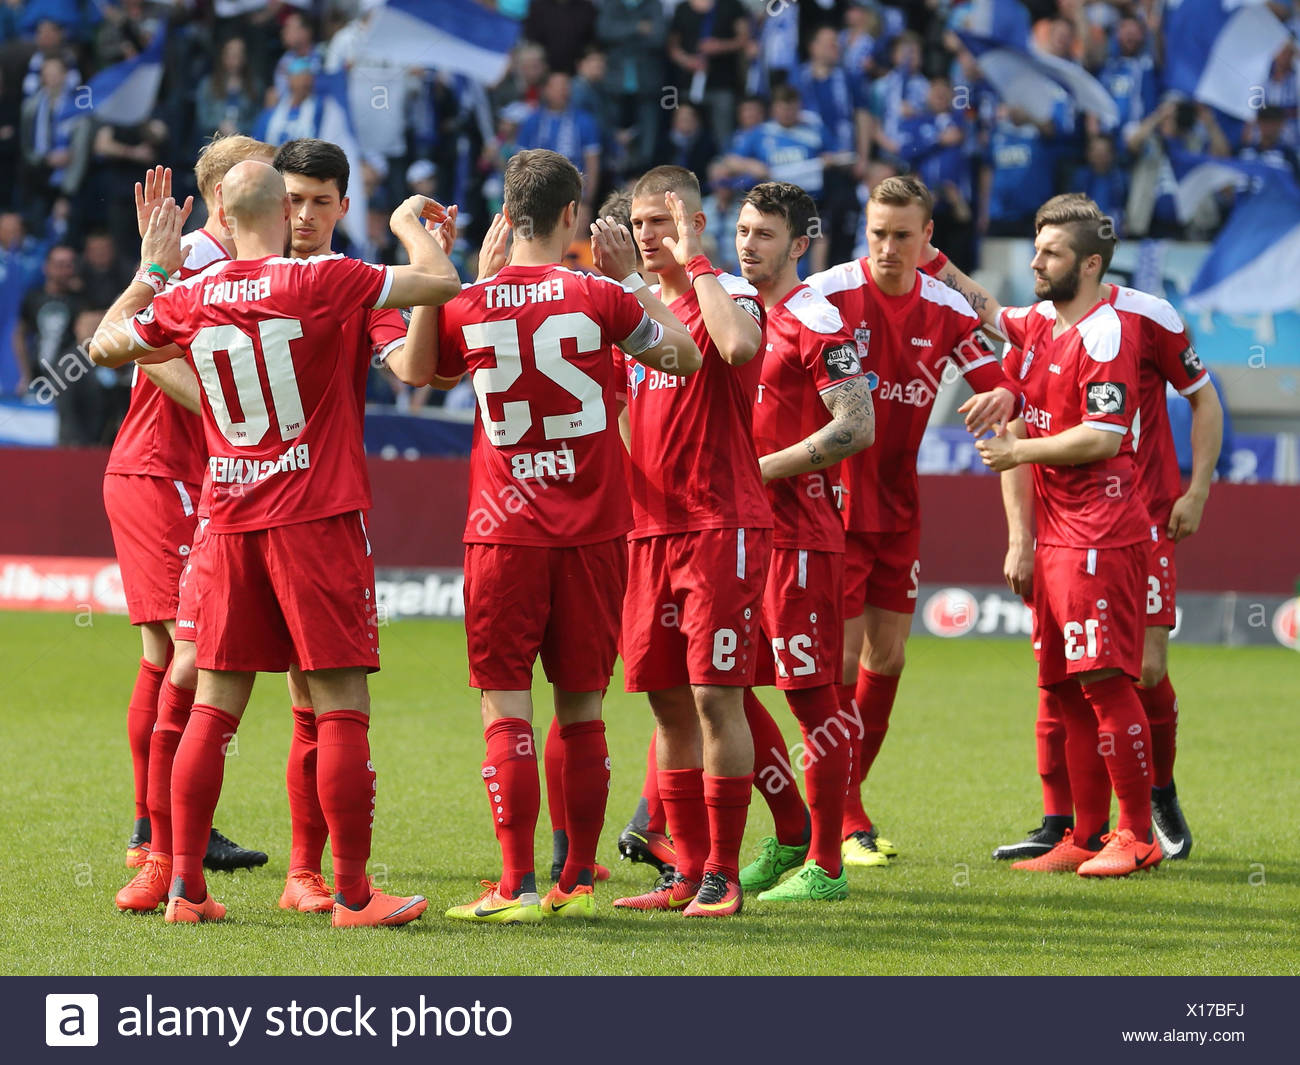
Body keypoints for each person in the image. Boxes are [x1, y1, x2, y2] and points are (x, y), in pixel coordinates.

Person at [90, 160, 460, 926]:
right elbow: (441, 285)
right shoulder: (323, 279)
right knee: (340, 705)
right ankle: (354, 893)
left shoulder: (189, 294)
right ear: (280, 211)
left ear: (220, 209)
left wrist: (151, 269)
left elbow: (101, 347)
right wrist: (406, 228)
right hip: (315, 518)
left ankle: (185, 888)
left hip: (227, 519)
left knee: (214, 704)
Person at [424, 149, 700, 924]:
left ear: (507, 218)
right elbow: (682, 356)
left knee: (506, 707)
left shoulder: (470, 303)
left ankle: (513, 886)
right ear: (575, 217)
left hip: (503, 533)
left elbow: (423, 370)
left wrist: (461, 279)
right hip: (597, 534)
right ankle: (575, 879)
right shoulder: (600, 298)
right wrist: (635, 283)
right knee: (583, 709)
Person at [803, 176, 1018, 868]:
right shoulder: (829, 294)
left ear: (928, 240)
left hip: (897, 508)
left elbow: (1000, 381)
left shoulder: (946, 309)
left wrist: (1007, 394)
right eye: (877, 234)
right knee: (835, 662)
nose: (888, 248)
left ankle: (846, 800)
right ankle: (844, 816)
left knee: (888, 657)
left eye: (902, 235)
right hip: (831, 504)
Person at [951, 195, 1164, 877]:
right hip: (1057, 536)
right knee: (1067, 687)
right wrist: (927, 258)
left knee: (1104, 679)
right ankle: (1086, 830)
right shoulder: (1042, 321)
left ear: (1091, 264)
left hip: (1101, 532)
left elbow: (1103, 435)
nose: (1037, 262)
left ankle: (1138, 834)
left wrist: (1021, 451)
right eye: (1037, 249)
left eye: (1052, 253)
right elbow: (988, 309)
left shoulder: (1107, 335)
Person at [109, 141, 278, 918]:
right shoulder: (200, 255)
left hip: (201, 476)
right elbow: (132, 352)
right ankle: (156, 835)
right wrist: (219, 408)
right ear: (224, 194)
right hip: (160, 469)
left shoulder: (243, 260)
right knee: (174, 653)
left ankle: (175, 833)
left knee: (183, 656)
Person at [611, 164, 769, 918]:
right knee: (668, 706)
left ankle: (725, 874)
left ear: (693, 223)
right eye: (639, 223)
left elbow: (738, 350)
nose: (648, 235)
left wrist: (698, 258)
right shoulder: (638, 317)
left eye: (661, 221)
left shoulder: (724, 294)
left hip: (720, 525)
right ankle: (686, 868)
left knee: (715, 697)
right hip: (650, 533)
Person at [735, 180, 876, 901]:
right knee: (722, 687)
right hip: (738, 536)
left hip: (798, 538)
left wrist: (763, 469)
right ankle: (791, 830)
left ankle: (826, 863)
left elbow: (857, 425)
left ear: (798, 244)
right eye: (742, 230)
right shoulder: (735, 312)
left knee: (812, 697)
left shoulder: (816, 321)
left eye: (763, 233)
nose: (748, 243)